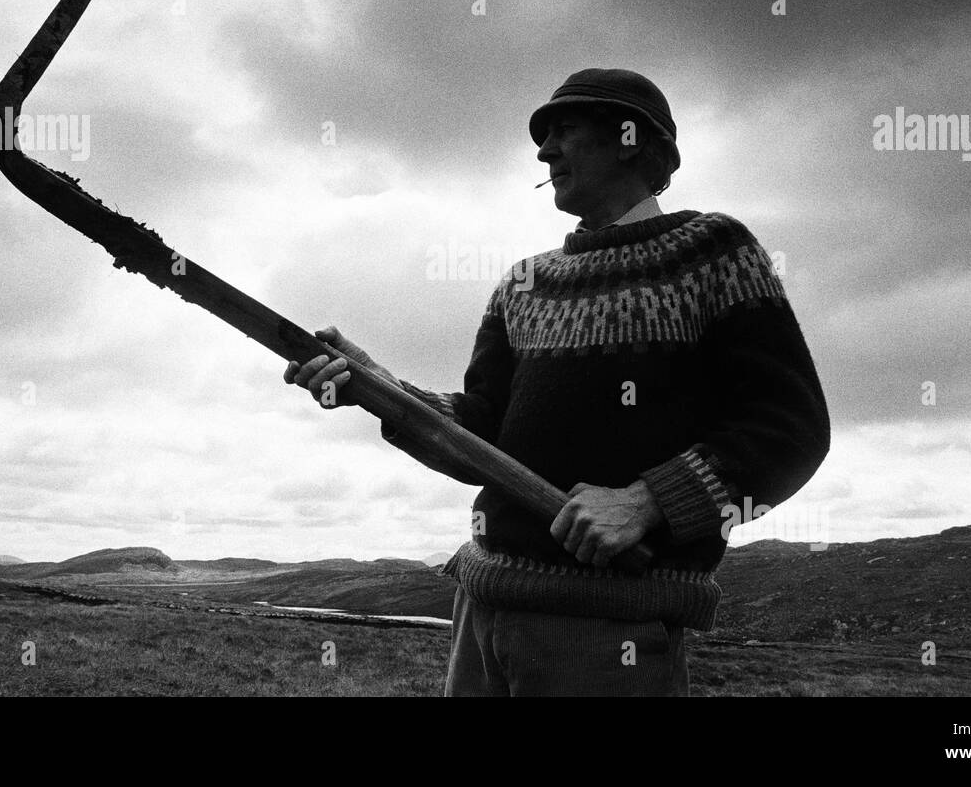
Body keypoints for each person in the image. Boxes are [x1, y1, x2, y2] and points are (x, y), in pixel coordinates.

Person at [283, 68, 830, 696]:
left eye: (564, 130)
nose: (544, 151)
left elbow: (790, 428)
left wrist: (646, 502)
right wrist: (377, 387)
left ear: (630, 138)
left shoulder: (713, 252)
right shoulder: (522, 283)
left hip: (608, 633)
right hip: (480, 609)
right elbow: (484, 435)